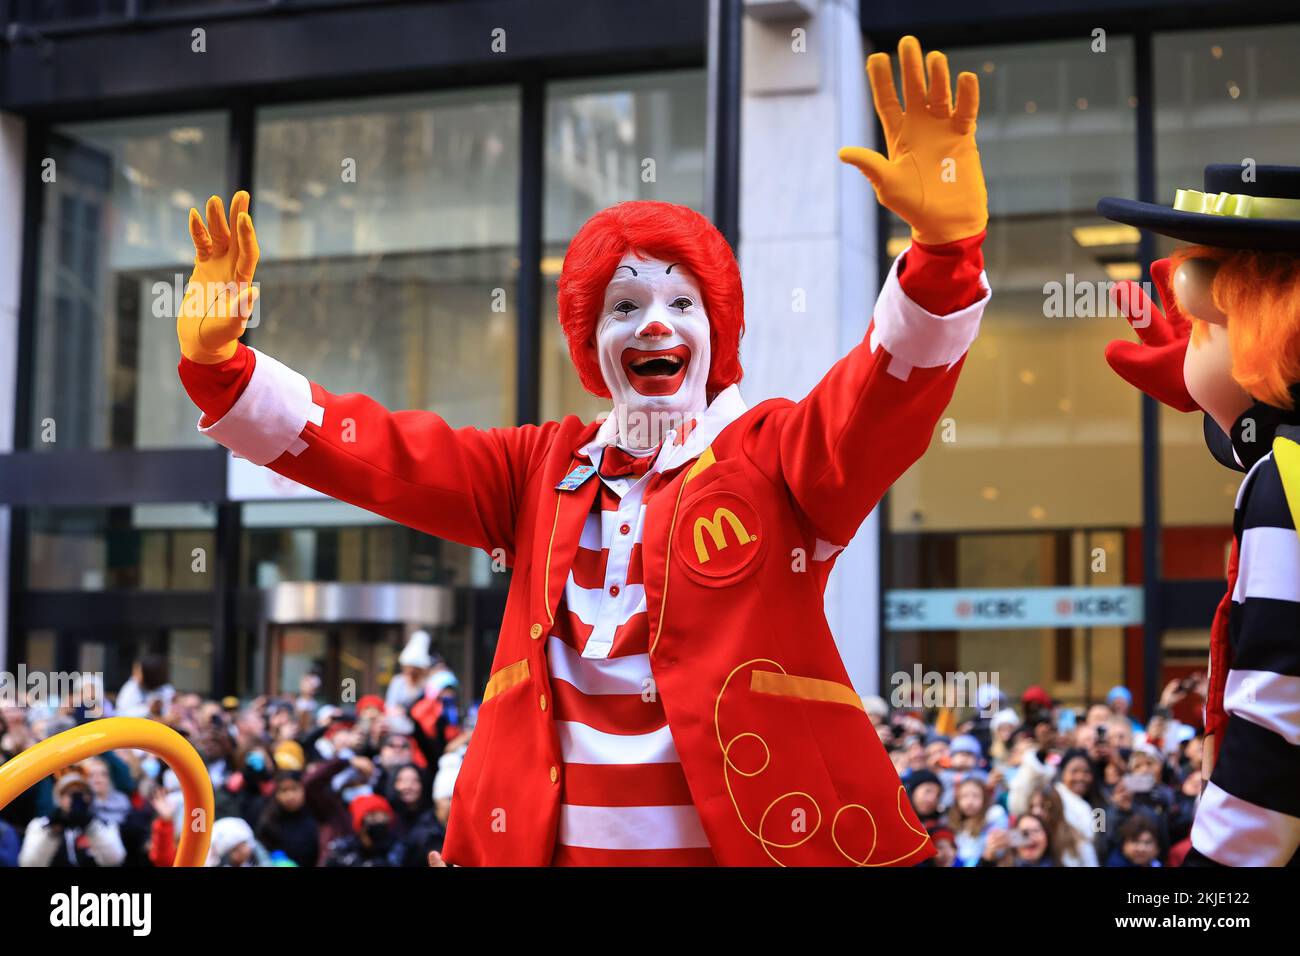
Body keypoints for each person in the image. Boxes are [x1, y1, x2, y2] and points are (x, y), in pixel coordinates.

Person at [174, 36, 990, 866]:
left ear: (720, 334)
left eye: (683, 302)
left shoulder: (771, 455)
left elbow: (879, 402)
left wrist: (942, 262)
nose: (655, 324)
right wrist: (224, 374)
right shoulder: (537, 469)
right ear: (591, 342)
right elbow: (379, 453)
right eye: (624, 305)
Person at [1100, 163, 1300, 866]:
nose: (1191, 333)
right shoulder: (1281, 466)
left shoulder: (1285, 487)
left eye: (1202, 323)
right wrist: (1228, 406)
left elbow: (1278, 717)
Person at [19, 769, 126, 867]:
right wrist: (52, 833)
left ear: (89, 796)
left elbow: (115, 859)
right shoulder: (41, 824)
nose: (74, 798)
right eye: (68, 793)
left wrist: (91, 827)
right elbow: (29, 864)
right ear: (59, 798)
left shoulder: (104, 823)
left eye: (80, 793)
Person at [256, 771, 319, 868]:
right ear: (276, 794)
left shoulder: (317, 814)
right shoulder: (269, 822)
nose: (290, 796)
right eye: (284, 790)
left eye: (294, 789)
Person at [947, 775, 1008, 867]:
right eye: (964, 796)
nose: (970, 801)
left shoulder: (993, 816)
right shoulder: (953, 823)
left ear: (984, 799)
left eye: (975, 796)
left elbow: (998, 852)